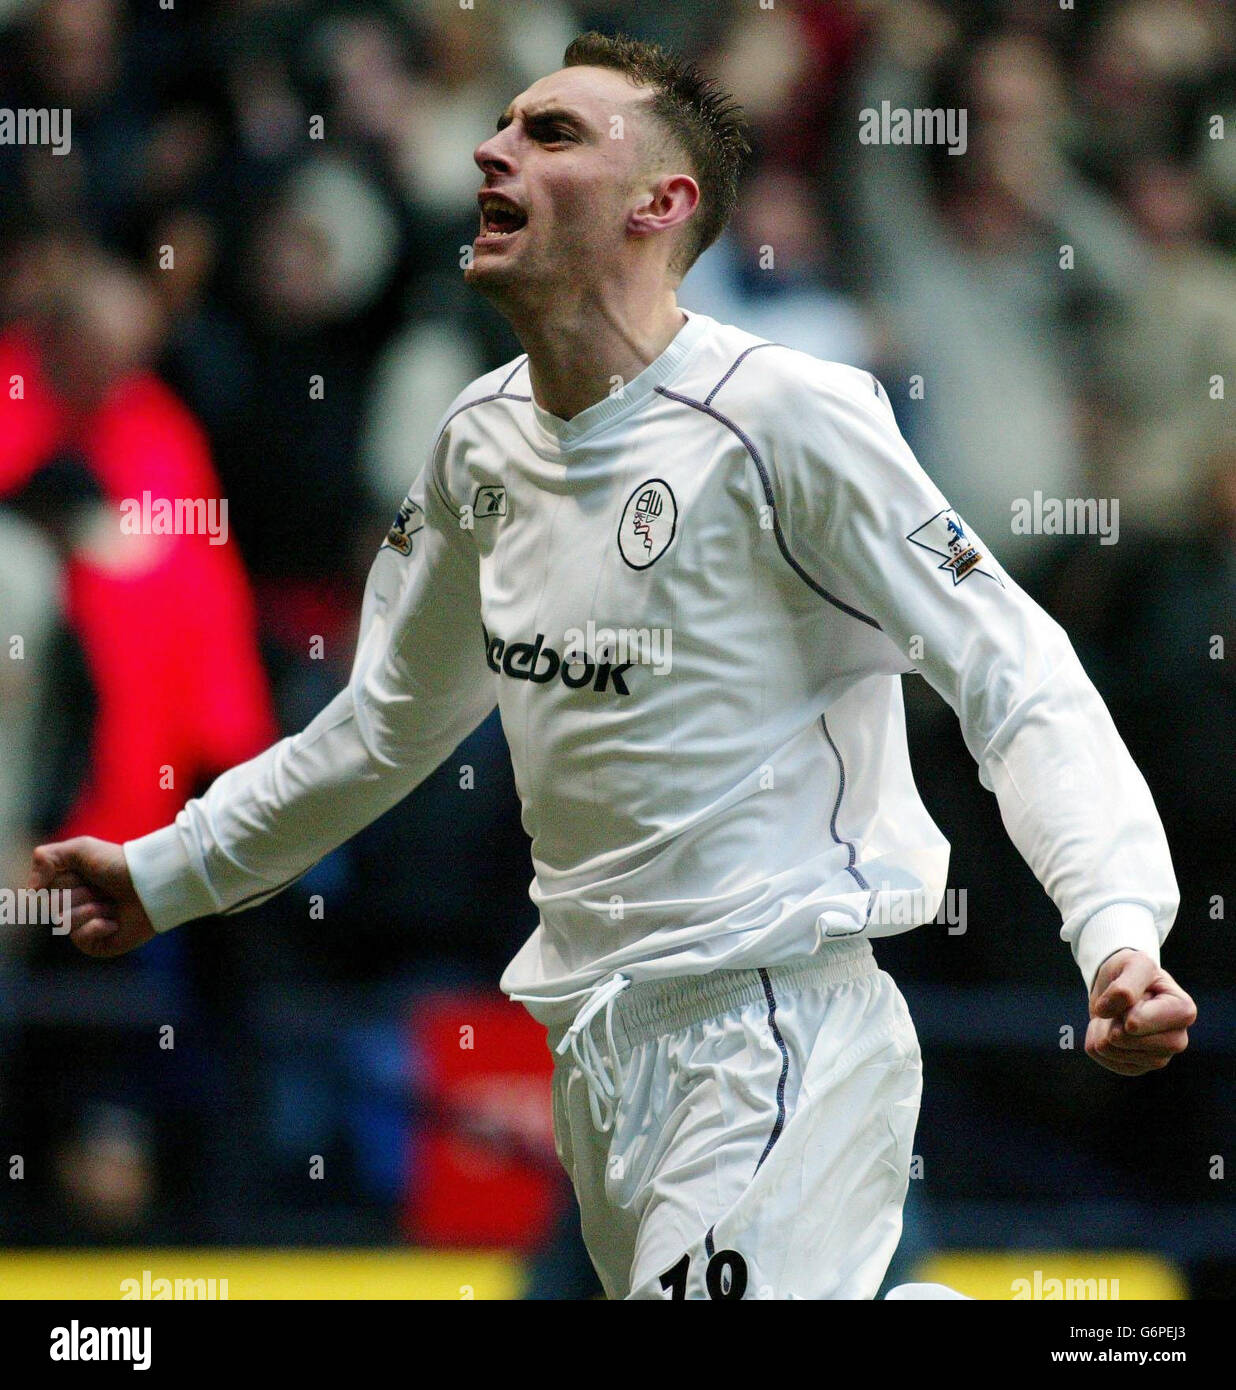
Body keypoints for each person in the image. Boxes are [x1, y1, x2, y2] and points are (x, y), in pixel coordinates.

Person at [30, 32, 1196, 1301]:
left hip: (774, 1022)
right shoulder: (479, 446)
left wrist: (1117, 925)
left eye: (552, 133)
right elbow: (378, 732)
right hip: (595, 1055)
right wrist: (166, 871)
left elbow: (1014, 671)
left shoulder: (786, 418)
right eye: (503, 127)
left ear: (662, 202)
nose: (493, 147)